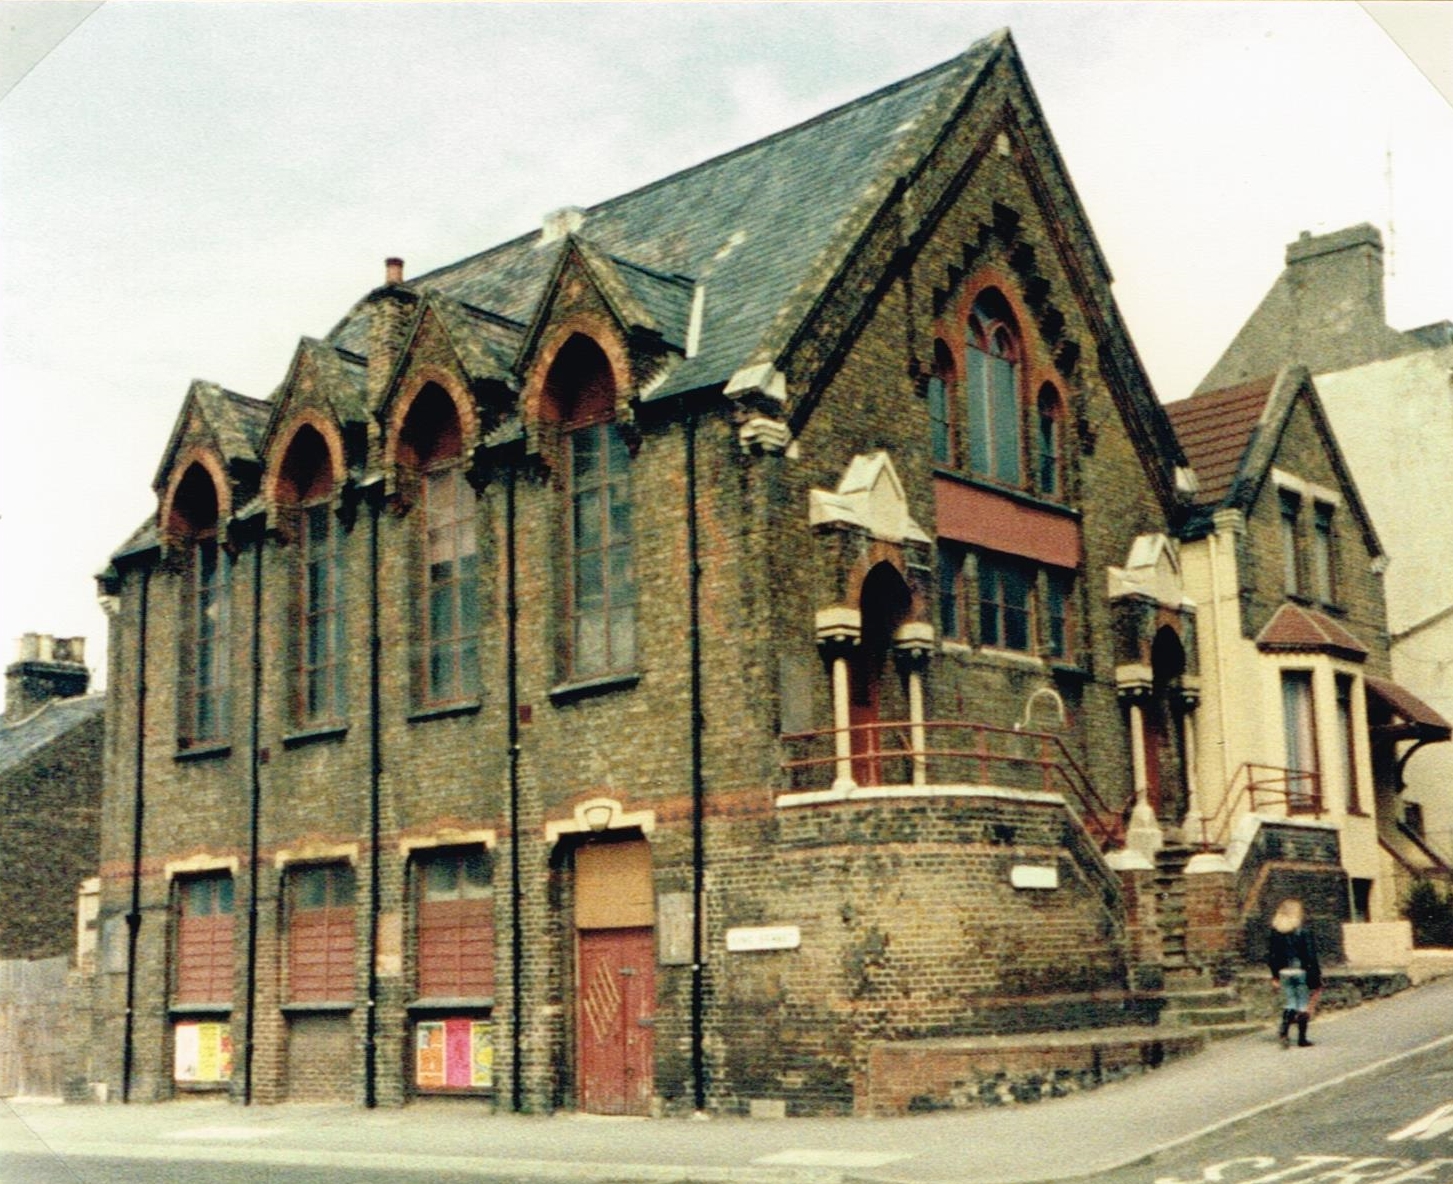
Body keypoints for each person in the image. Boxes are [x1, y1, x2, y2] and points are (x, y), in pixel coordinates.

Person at [1267, 898, 1321, 1048]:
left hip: (1284, 972)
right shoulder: (1303, 931)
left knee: (1290, 1002)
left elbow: (1272, 956)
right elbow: (1310, 955)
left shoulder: (1275, 932)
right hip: (1301, 971)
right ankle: (1302, 1039)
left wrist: (1274, 975)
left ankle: (1284, 1032)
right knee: (1302, 1004)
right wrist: (1316, 977)